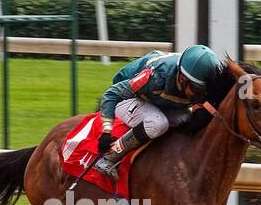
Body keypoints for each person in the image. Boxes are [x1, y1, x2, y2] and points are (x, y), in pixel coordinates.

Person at [91, 44, 223, 180]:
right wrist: (106, 131)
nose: (201, 96)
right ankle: (109, 158)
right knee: (158, 123)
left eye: (205, 90)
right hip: (127, 99)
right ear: (182, 79)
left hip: (158, 102)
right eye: (197, 90)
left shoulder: (196, 81)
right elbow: (112, 94)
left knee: (188, 123)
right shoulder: (155, 76)